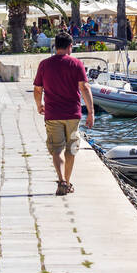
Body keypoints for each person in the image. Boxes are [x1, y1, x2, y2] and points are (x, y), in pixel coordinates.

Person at [32, 31, 94, 196]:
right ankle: (67, 181)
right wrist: (91, 112)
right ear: (70, 46)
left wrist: (39, 105)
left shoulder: (44, 64)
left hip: (53, 114)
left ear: (55, 46)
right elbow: (84, 87)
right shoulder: (76, 64)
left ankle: (62, 181)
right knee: (71, 149)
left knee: (57, 149)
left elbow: (37, 89)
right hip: (73, 114)